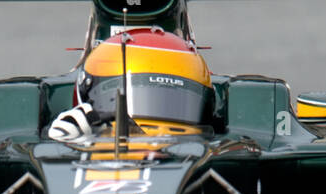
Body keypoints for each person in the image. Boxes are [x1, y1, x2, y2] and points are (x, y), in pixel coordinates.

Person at [49, 27, 215, 140]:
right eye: (145, 101)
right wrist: (66, 144)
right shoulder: (68, 138)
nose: (157, 133)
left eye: (172, 104)